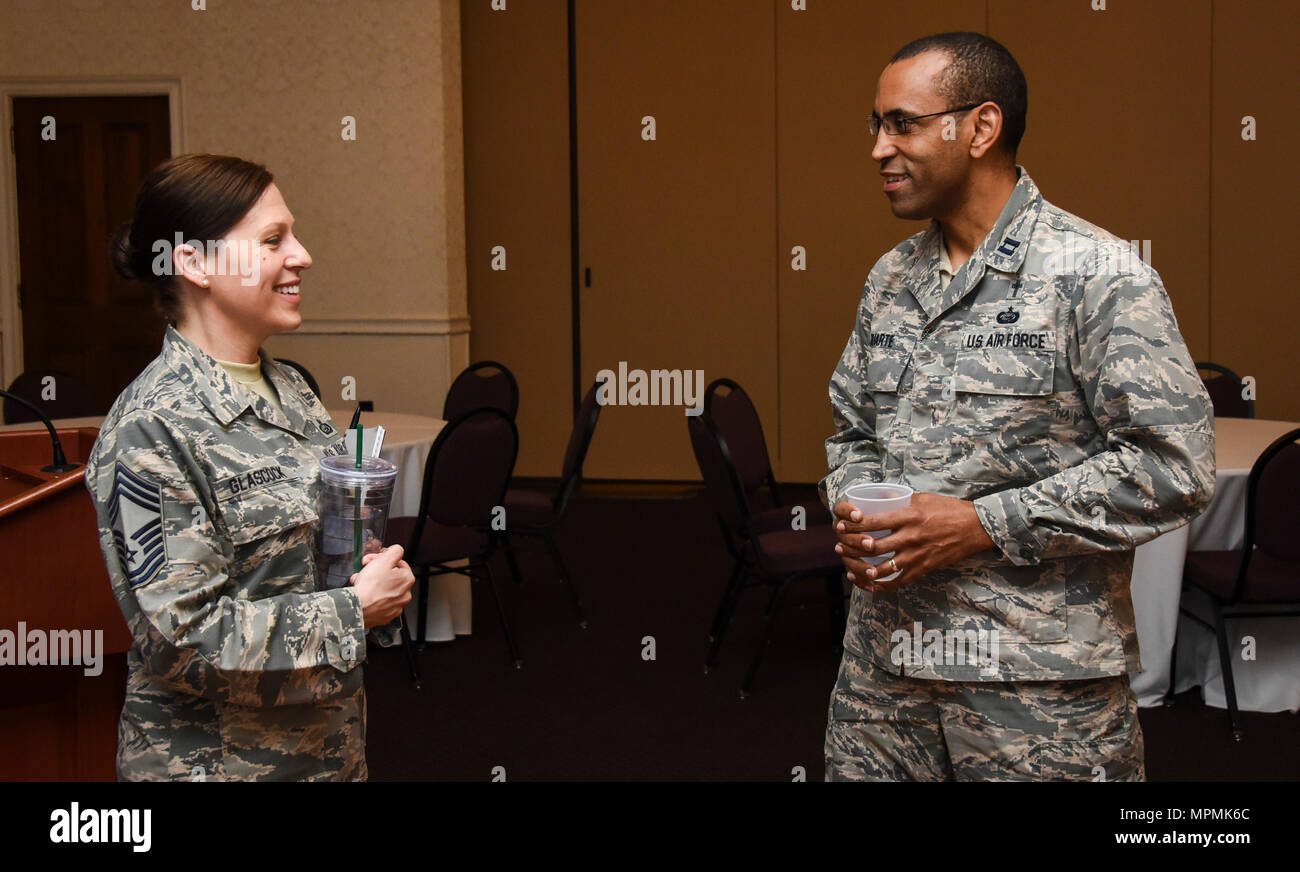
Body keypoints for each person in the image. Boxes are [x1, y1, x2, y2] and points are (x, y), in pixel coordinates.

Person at [821, 33, 1215, 781]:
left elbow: (1175, 466)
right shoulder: (891, 280)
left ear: (980, 128)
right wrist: (855, 505)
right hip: (886, 679)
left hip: (1035, 693)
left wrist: (981, 525)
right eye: (875, 125)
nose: (878, 148)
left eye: (901, 123)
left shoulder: (1096, 275)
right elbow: (852, 431)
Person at [86, 154, 415, 781]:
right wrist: (352, 611)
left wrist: (368, 573)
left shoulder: (291, 388)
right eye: (272, 240)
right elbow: (183, 640)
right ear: (195, 263)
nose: (303, 255)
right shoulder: (152, 426)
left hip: (326, 753)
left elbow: (310, 555)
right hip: (216, 767)